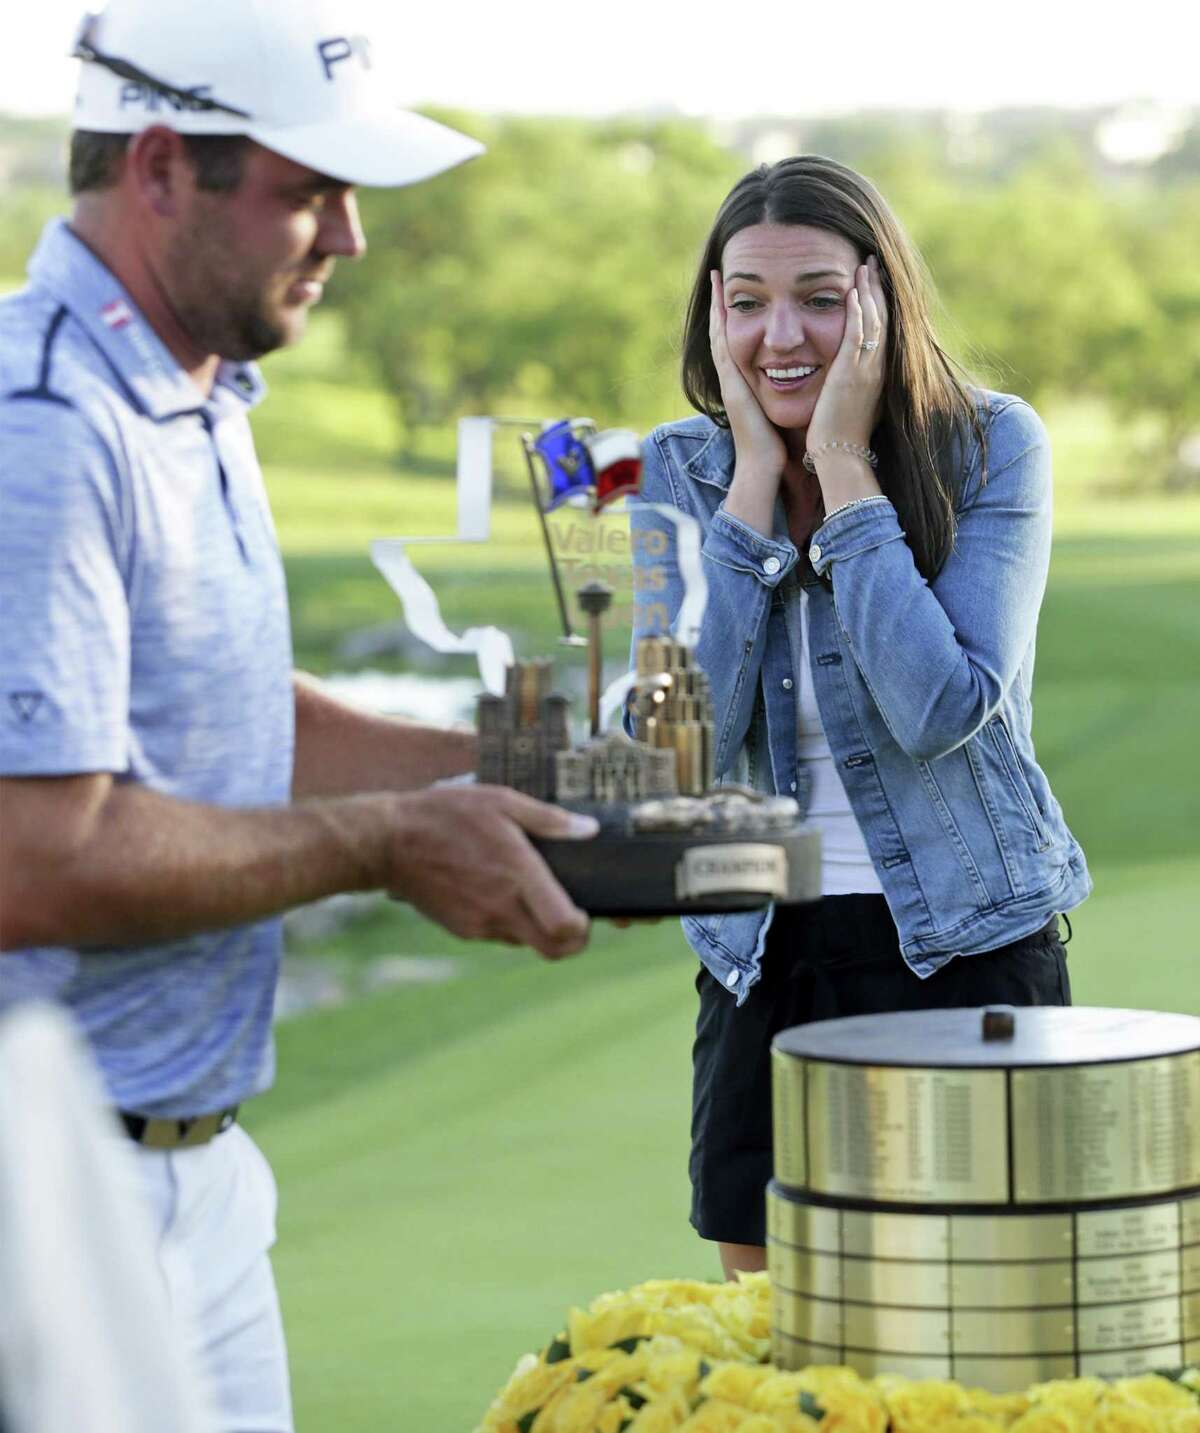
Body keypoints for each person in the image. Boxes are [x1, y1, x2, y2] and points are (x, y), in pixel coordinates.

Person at [0, 1, 597, 1426]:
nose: (348, 237)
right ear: (158, 168)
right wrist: (394, 841)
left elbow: (225, 711)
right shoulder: (43, 424)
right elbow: (34, 859)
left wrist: (546, 779)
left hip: (197, 1175)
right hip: (43, 1178)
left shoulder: (195, 390)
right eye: (307, 191)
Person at [628, 155, 1091, 1281]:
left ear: (880, 306)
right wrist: (745, 497)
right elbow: (671, 748)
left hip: (967, 947)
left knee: (981, 1343)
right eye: (746, 302)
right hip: (761, 960)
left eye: (819, 300)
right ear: (714, 312)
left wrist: (840, 468)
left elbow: (942, 706)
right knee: (776, 1354)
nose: (779, 336)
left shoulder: (990, 445)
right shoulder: (676, 471)